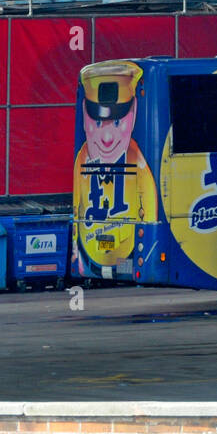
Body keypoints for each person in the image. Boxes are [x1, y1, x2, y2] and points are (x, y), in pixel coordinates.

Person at [73, 61, 158, 275]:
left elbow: (149, 212)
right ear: (84, 114)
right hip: (91, 254)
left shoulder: (138, 161)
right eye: (98, 122)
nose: (108, 138)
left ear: (134, 113)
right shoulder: (82, 158)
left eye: (118, 122)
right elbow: (77, 207)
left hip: (123, 252)